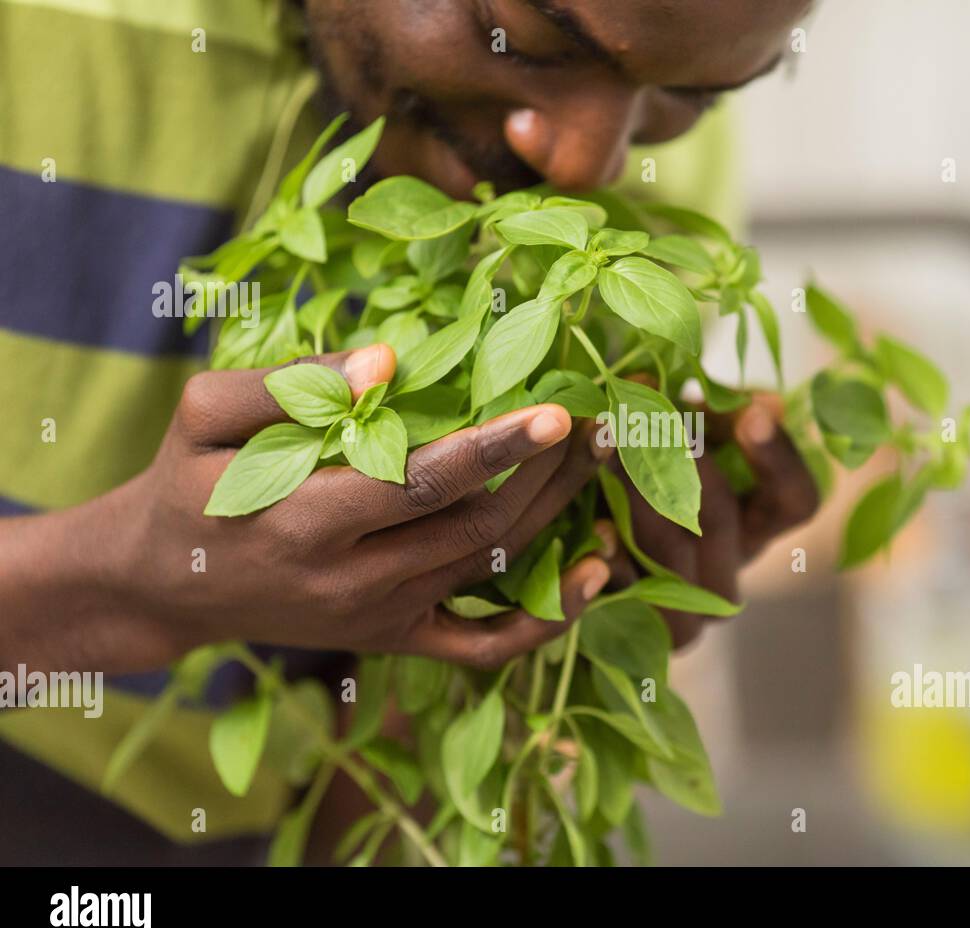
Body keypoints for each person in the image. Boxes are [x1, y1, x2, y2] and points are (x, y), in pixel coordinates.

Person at [0, 0, 819, 863]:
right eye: (537, 41)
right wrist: (127, 587)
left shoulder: (655, 180)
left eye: (694, 95)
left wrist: (510, 614)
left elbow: (374, 806)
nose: (586, 161)